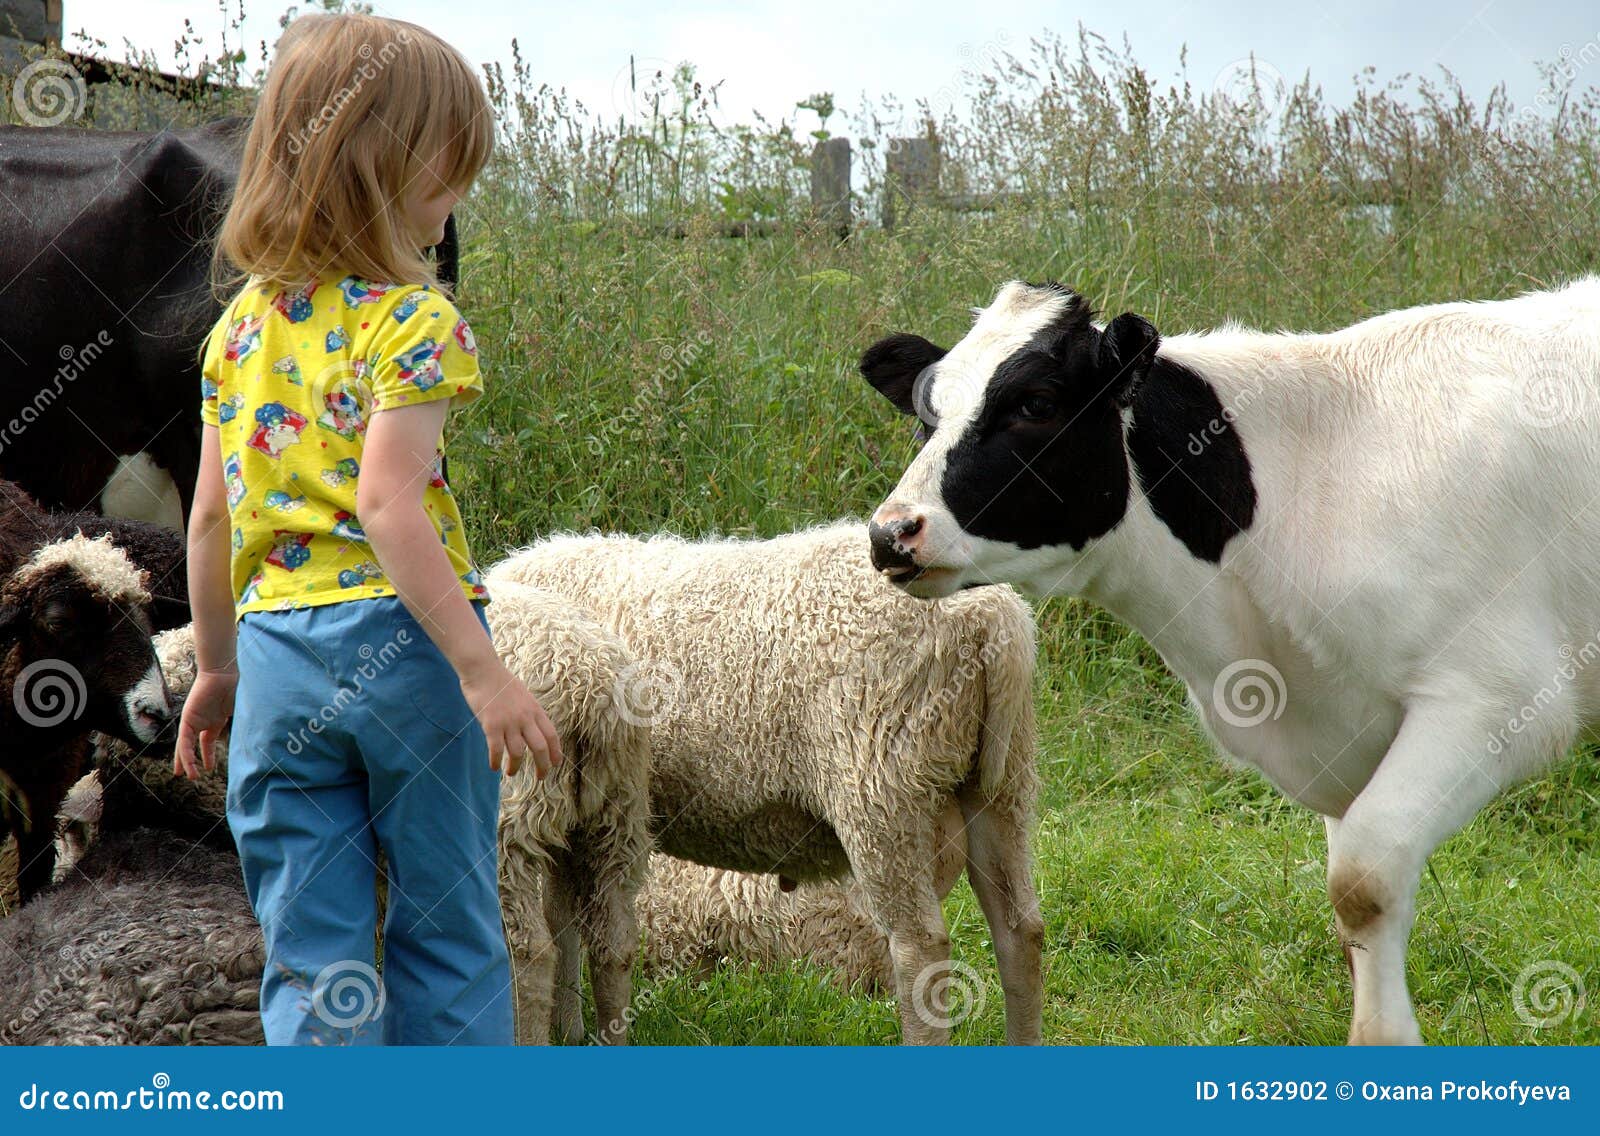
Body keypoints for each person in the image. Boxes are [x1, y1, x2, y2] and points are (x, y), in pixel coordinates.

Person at [174, 11, 562, 1046]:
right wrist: (482, 670)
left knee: (312, 949)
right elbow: (390, 504)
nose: (456, 202)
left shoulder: (237, 331)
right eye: (447, 174)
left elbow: (210, 518)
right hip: (408, 657)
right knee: (445, 926)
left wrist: (216, 668)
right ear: (379, 173)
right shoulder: (414, 322)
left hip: (275, 662)